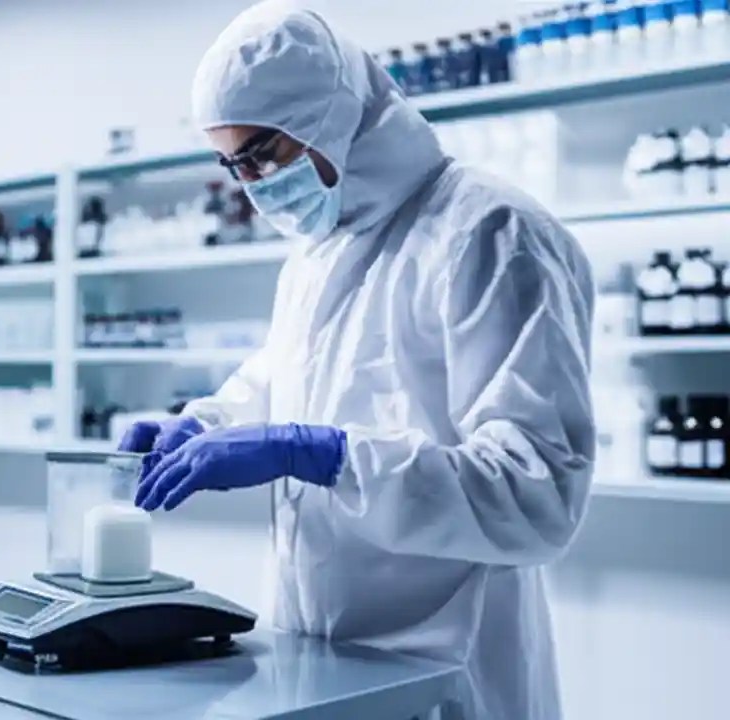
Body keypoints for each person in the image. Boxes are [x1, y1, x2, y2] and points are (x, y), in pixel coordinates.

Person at [117, 3, 595, 719]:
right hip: (320, 672)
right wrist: (202, 423)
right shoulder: (322, 253)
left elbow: (536, 495)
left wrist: (320, 454)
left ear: (327, 116)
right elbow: (283, 376)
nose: (250, 186)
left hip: (447, 675)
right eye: (231, 165)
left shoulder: (491, 234)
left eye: (261, 154)